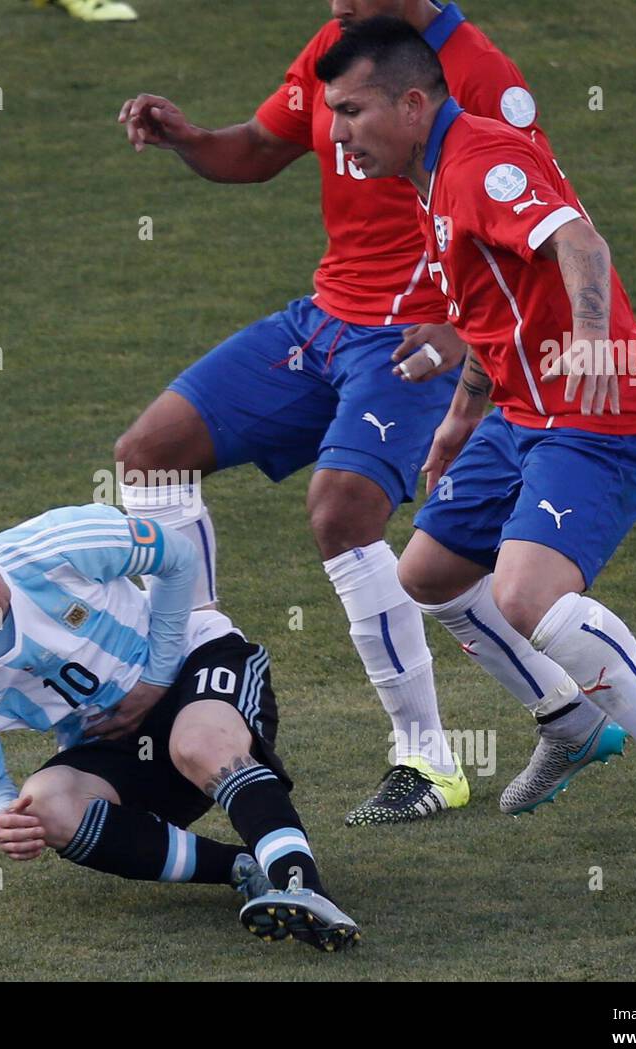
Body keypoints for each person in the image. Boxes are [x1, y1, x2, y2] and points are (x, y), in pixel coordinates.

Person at [115, 1, 610, 826]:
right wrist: (189, 138)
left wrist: (463, 328)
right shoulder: (344, 50)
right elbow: (261, 148)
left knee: (342, 510)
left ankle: (428, 759)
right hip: (327, 319)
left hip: (413, 336)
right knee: (149, 451)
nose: (336, 1)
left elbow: (558, 223)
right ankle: (202, 654)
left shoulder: (481, 75)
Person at [315, 16, 636, 888]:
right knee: (430, 573)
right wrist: (461, 417)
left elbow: (578, 244)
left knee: (528, 598)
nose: (337, 134)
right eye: (331, 113)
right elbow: (495, 306)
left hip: (604, 419)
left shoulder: (480, 162)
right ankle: (569, 722)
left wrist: (592, 338)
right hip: (523, 413)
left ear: (412, 103)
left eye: (352, 112)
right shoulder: (431, 174)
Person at [0, 501, 361, 948]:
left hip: (195, 661)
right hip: (119, 739)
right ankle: (244, 870)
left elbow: (176, 557)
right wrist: (2, 819)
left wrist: (158, 678)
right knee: (45, 806)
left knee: (198, 741)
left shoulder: (55, 545)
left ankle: (303, 887)